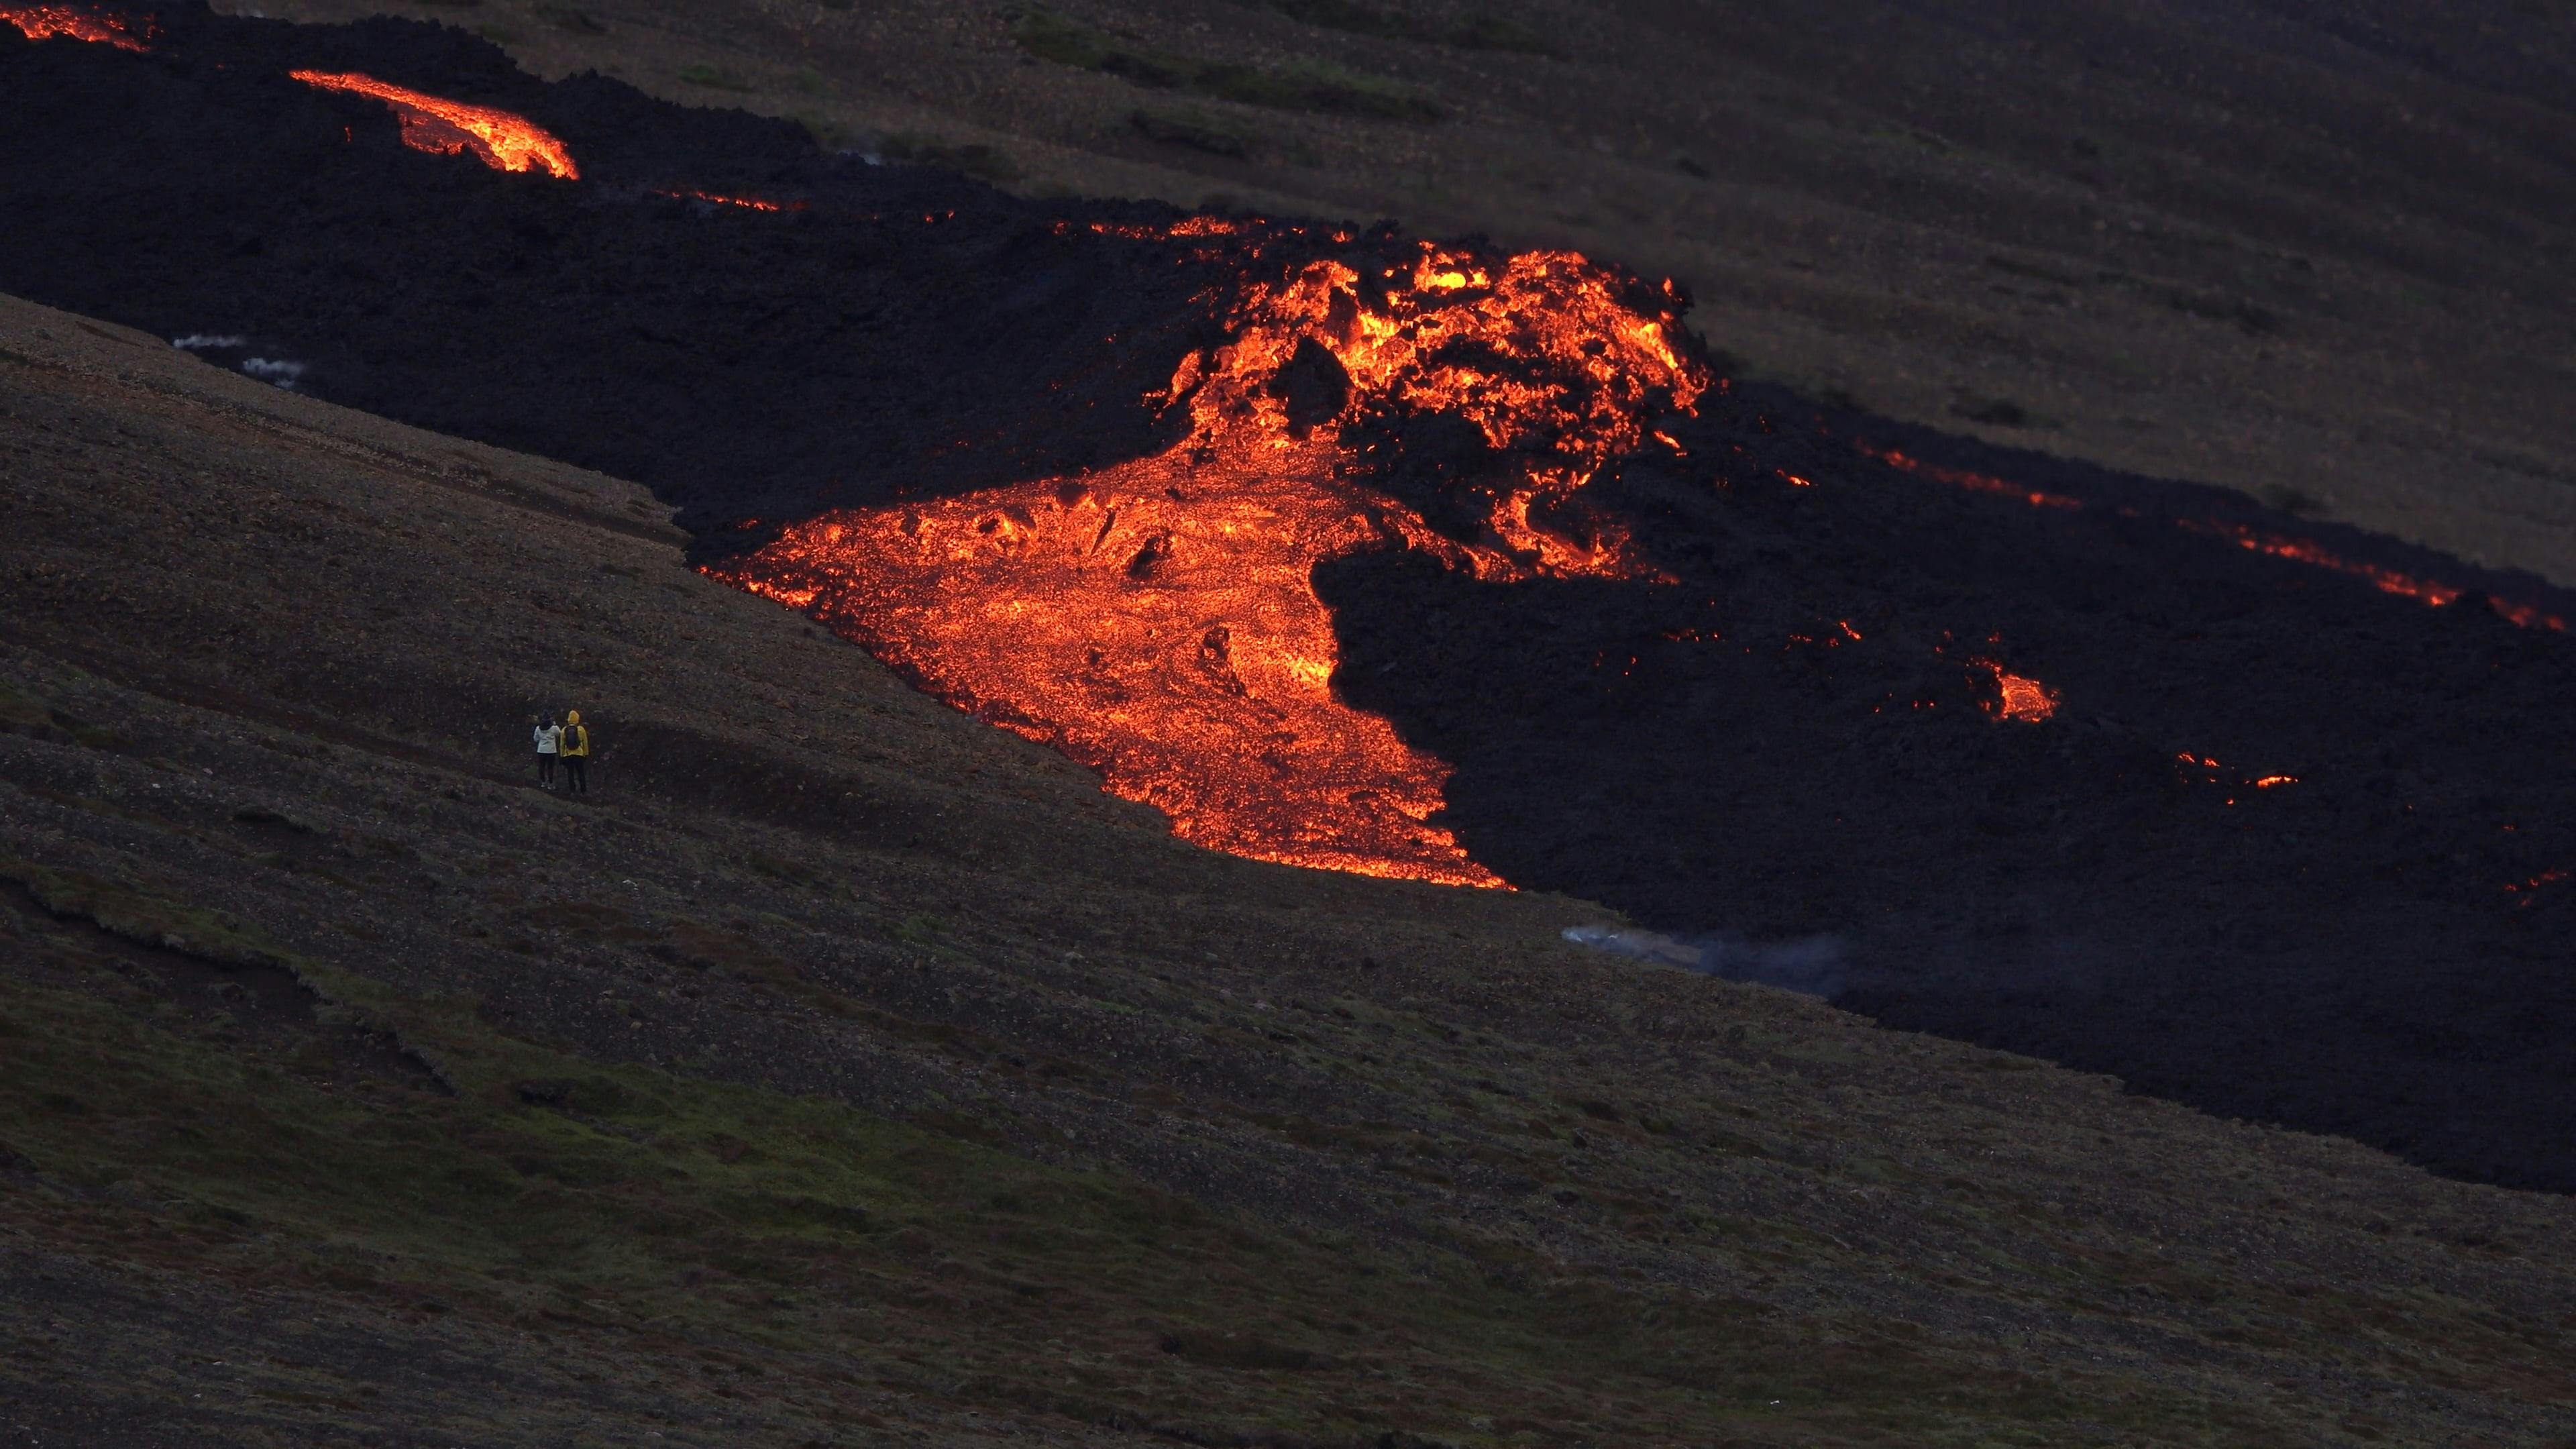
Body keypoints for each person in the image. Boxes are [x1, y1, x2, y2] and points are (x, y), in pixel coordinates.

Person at [559, 709, 590, 795]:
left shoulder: (564, 730)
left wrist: (562, 756)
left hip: (568, 755)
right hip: (579, 754)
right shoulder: (581, 729)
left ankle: (572, 791)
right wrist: (586, 754)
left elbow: (562, 745)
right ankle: (583, 791)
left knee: (570, 774)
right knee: (581, 773)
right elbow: (585, 743)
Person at [532, 712, 561, 789]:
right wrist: (555, 724)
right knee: (550, 768)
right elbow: (559, 733)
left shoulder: (538, 728)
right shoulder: (553, 728)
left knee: (541, 767)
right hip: (551, 750)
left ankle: (543, 782)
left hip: (541, 750)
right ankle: (551, 784)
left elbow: (536, 739)